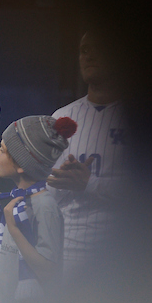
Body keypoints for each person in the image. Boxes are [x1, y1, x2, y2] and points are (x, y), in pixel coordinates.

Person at [0, 117, 73, 303]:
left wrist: (13, 228)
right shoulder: (19, 201)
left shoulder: (45, 206)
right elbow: (11, 254)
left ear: (22, 164)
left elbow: (47, 271)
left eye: (3, 151)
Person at [48, 31, 127, 276]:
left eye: (98, 48)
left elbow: (151, 193)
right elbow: (46, 193)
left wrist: (88, 183)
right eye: (84, 50)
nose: (89, 55)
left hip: (124, 253)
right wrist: (62, 181)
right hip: (68, 250)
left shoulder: (145, 120)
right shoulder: (61, 118)